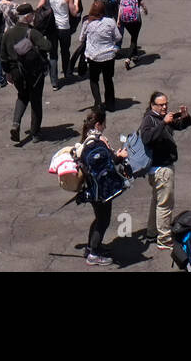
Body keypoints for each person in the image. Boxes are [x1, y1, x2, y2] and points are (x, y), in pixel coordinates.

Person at [140, 92, 191, 251]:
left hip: (161, 168)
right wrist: (163, 123)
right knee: (165, 205)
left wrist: (186, 117)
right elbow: (147, 138)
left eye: (166, 104)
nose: (164, 107)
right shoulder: (149, 120)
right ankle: (164, 238)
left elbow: (180, 125)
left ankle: (152, 232)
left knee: (157, 202)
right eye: (161, 105)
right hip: (160, 169)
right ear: (152, 105)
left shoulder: (163, 118)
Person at [77, 109, 127, 266]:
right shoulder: (97, 142)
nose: (105, 126)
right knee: (103, 221)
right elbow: (107, 163)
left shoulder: (87, 140)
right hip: (101, 189)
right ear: (98, 124)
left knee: (99, 219)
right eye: (104, 124)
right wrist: (119, 157)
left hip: (91, 188)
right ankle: (93, 254)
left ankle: (93, 246)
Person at [0, 3, 50, 143]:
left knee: (22, 96)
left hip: (16, 72)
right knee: (35, 100)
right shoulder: (32, 32)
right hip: (34, 73)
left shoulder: (8, 33)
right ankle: (35, 133)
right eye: (32, 15)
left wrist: (8, 73)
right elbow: (47, 46)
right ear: (28, 17)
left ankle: (16, 124)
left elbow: (3, 57)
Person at [38, 0, 81, 88]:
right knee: (65, 50)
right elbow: (74, 12)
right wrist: (76, 2)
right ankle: (67, 72)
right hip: (64, 27)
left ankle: (54, 81)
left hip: (51, 28)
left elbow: (38, 9)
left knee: (53, 54)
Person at [78, 0, 121, 112]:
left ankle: (98, 103)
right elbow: (118, 37)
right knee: (108, 79)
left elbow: (81, 38)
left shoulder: (88, 23)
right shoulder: (110, 22)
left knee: (94, 80)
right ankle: (110, 104)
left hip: (94, 56)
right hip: (108, 55)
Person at [117, 0, 147, 69]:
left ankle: (135, 55)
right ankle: (128, 59)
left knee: (133, 36)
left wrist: (118, 20)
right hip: (135, 19)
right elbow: (142, 4)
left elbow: (121, 7)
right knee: (134, 39)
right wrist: (145, 10)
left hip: (125, 19)